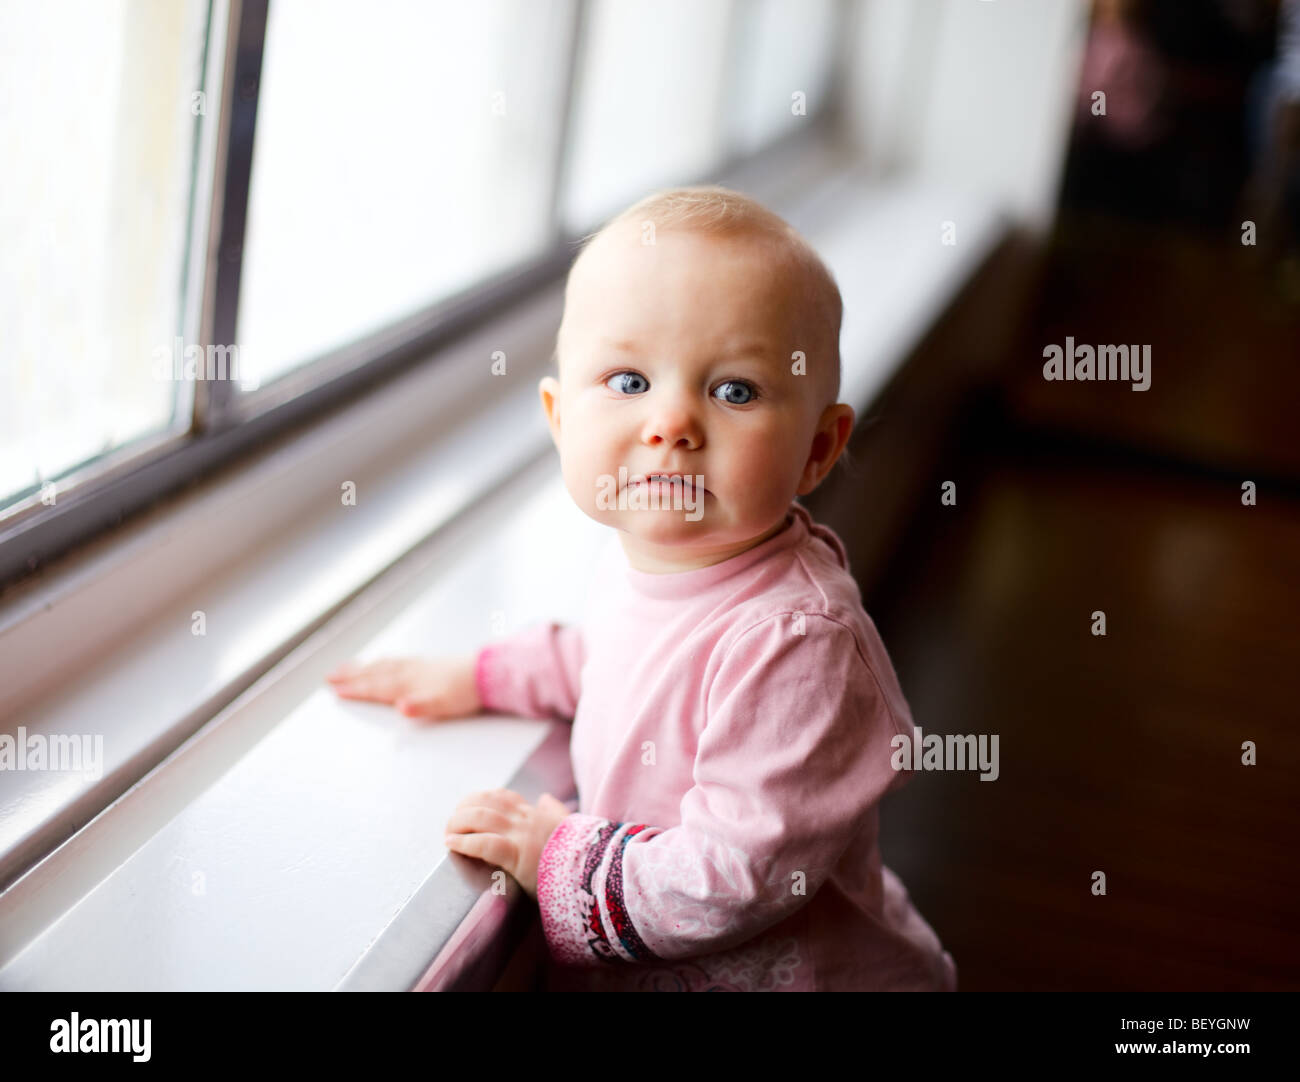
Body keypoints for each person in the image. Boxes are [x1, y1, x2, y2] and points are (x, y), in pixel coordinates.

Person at [327, 185, 957, 991]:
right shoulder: (657, 560)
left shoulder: (798, 640)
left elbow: (734, 878)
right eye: (628, 382)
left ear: (819, 448)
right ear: (560, 419)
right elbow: (617, 663)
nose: (672, 424)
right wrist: (482, 676)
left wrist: (557, 855)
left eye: (734, 391)